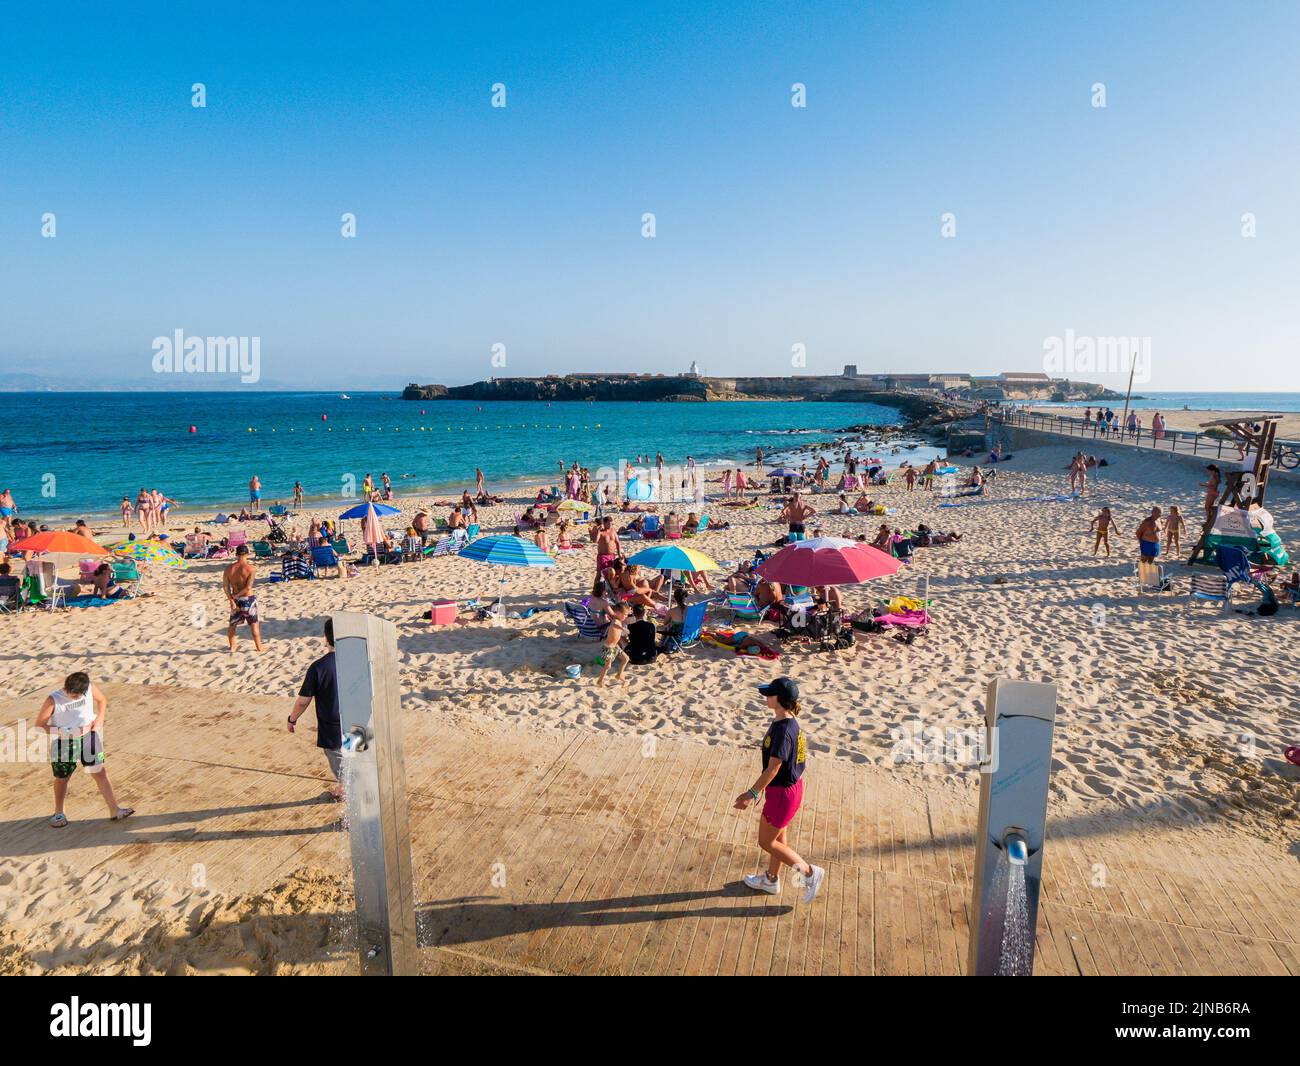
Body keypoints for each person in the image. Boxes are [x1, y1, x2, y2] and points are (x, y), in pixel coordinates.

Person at [734, 677, 824, 902]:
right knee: (779, 838)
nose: (766, 697)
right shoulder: (790, 722)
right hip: (790, 790)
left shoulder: (783, 730)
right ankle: (771, 880)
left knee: (766, 842)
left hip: (782, 794)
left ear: (780, 700)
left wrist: (751, 793)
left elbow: (773, 769)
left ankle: (810, 873)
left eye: (769, 694)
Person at [35, 671, 133, 827]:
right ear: (66, 687)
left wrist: (99, 719)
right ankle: (59, 813)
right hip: (64, 744)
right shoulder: (53, 700)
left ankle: (115, 810)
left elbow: (102, 700)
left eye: (79, 695)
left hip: (89, 738)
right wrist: (65, 732)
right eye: (72, 695)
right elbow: (40, 726)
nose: (76, 697)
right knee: (63, 778)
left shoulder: (90, 688)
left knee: (100, 772)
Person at [288, 618, 345, 800]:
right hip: (357, 723)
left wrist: (292, 719)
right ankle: (346, 790)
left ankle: (350, 794)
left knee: (340, 764)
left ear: (325, 638)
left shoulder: (319, 667)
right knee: (355, 757)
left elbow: (303, 701)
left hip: (333, 727)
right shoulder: (357, 661)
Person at [222, 545, 264, 652]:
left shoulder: (228, 569)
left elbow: (225, 587)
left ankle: (232, 646)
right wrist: (237, 596)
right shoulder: (251, 568)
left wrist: (232, 599)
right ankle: (259, 647)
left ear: (236, 554)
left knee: (232, 625)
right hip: (248, 599)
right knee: (254, 624)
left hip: (235, 601)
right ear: (247, 554)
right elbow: (248, 587)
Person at [597, 602, 631, 686]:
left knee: (625, 659)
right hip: (608, 647)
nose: (626, 616)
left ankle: (619, 675)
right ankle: (600, 681)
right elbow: (615, 625)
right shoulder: (615, 621)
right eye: (625, 614)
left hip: (615, 646)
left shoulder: (619, 620)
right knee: (607, 666)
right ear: (618, 613)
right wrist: (622, 628)